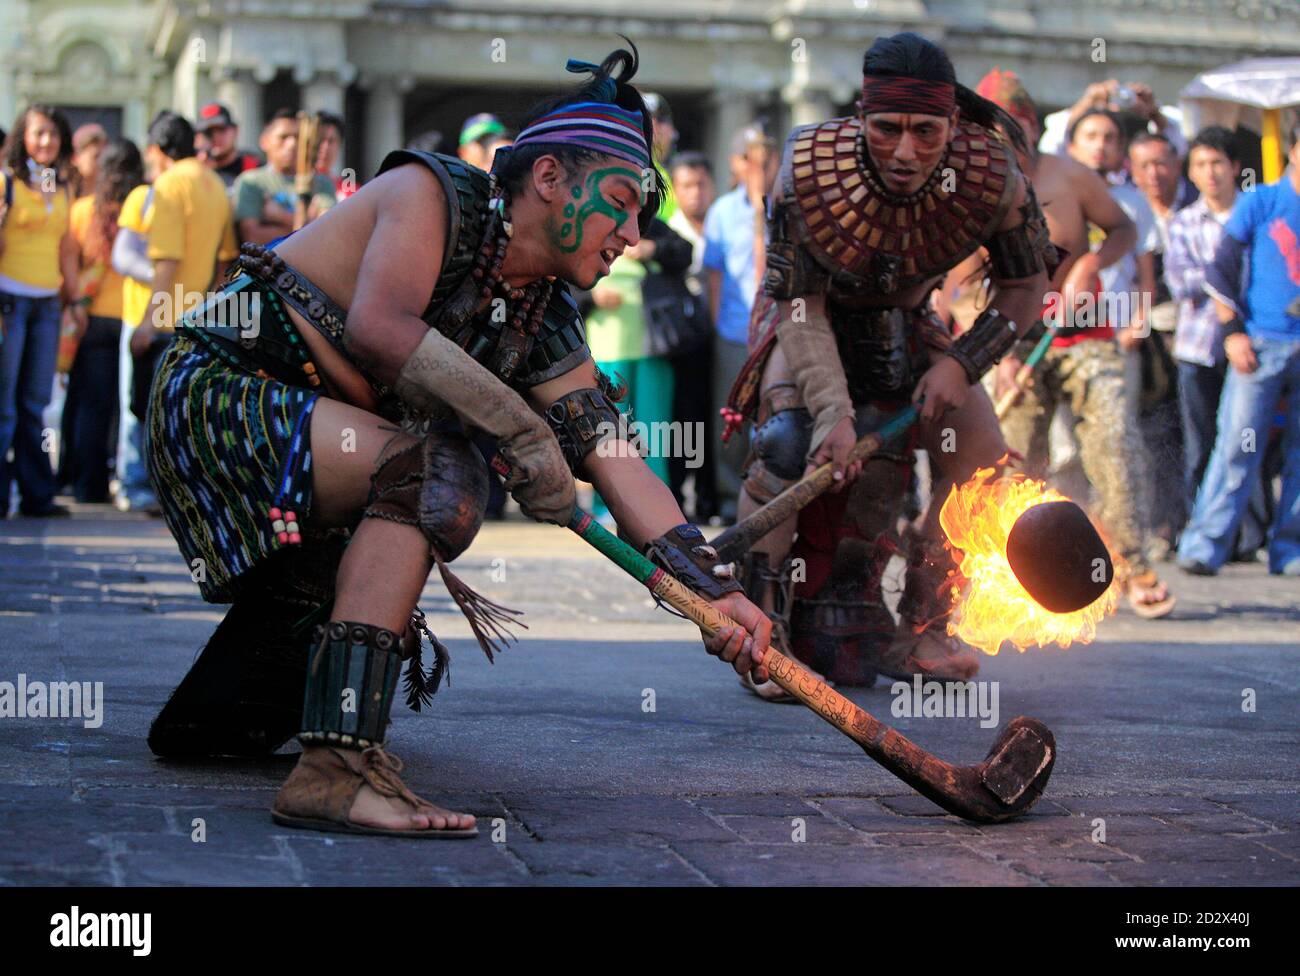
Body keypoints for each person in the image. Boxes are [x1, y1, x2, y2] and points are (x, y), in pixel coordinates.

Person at [144, 46, 772, 838]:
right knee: (432, 471)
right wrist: (520, 429)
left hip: (319, 441)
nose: (633, 232)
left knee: (423, 485)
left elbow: (614, 456)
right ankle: (335, 769)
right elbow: (379, 326)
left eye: (642, 213)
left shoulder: (545, 315)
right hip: (217, 395)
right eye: (619, 201)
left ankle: (220, 717)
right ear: (548, 179)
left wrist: (717, 594)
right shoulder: (432, 194)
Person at [723, 35, 1053, 700]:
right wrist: (834, 413)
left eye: (926, 131)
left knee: (983, 464)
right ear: (860, 117)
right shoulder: (807, 168)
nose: (906, 151)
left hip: (910, 319)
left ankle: (923, 626)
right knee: (791, 444)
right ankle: (764, 636)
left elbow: (1025, 288)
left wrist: (963, 363)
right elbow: (800, 303)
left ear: (952, 124)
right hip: (804, 317)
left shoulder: (992, 175)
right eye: (887, 129)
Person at [968, 72, 1175, 619]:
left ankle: (1132, 561)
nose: (1005, 138)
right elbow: (963, 284)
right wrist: (996, 354)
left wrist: (1090, 262)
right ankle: (1016, 571)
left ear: (1032, 126)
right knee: (1014, 455)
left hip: (1082, 333)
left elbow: (1124, 230)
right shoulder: (972, 188)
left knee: (1114, 437)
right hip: (1014, 342)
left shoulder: (1070, 175)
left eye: (1016, 124)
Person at [1178, 126, 1300, 577]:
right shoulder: (1261, 201)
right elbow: (1219, 272)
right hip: (1261, 342)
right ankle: (1205, 544)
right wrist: (1232, 332)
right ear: (1293, 150)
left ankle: (1290, 551)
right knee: (1235, 446)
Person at [1163, 126, 1271, 558]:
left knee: (1249, 440)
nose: (1210, 173)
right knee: (1201, 443)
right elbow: (1181, 282)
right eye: (1201, 165)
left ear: (1235, 169)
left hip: (1250, 344)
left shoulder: (1256, 212)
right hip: (1198, 348)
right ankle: (1201, 533)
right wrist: (1223, 278)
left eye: (1218, 164)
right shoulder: (1185, 221)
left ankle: (1251, 537)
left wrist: (1221, 280)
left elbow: (1264, 278)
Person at [127, 111, 239, 427]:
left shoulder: (169, 185)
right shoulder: (215, 184)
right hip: (196, 327)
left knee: (148, 426)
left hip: (163, 329)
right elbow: (225, 260)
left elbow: (167, 259)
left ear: (160, 148)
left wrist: (148, 322)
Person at [0, 104, 76, 518]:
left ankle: (36, 495)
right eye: (38, 133)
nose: (46, 142)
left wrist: (74, 301)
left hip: (47, 303)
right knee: (4, 403)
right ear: (23, 137)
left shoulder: (63, 187)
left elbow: (66, 247)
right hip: (9, 300)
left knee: (36, 402)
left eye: (53, 134)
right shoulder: (6, 182)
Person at [59, 140, 143, 503]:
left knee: (88, 405)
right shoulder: (140, 207)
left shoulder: (79, 211)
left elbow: (67, 262)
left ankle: (84, 484)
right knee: (125, 407)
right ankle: (123, 480)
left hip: (90, 320)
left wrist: (76, 302)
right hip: (132, 316)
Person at [704, 122, 778, 522]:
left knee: (774, 413)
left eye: (768, 161)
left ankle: (768, 491)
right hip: (734, 330)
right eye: (752, 161)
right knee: (730, 415)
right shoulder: (722, 212)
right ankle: (731, 495)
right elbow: (713, 276)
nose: (760, 169)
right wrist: (717, 328)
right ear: (736, 163)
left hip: (777, 332)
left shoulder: (782, 207)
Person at [666, 151, 719, 520]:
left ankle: (712, 500)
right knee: (685, 423)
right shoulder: (666, 232)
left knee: (718, 421)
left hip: (724, 338)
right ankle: (679, 502)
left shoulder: (726, 226)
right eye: (686, 185)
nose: (695, 193)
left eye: (701, 184)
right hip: (682, 346)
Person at [231, 109, 337, 245]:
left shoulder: (322, 183)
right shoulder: (251, 182)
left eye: (298, 137)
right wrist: (308, 223)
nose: (292, 144)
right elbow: (253, 236)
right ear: (265, 141)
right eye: (283, 137)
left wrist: (281, 216)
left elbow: (326, 235)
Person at [194, 102, 263, 189]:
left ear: (235, 130)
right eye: (208, 132)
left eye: (221, 129)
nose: (216, 137)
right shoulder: (193, 171)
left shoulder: (253, 168)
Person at [69, 123, 107, 199]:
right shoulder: (61, 191)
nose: (102, 162)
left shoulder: (110, 197)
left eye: (105, 157)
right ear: (75, 158)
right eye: (96, 156)